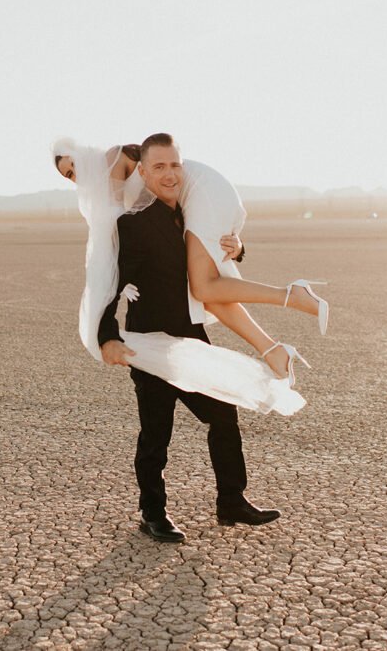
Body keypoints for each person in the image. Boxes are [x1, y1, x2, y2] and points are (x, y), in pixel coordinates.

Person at [94, 133, 283, 542]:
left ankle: (231, 501)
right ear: (141, 172)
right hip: (150, 344)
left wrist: (237, 248)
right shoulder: (131, 224)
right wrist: (107, 336)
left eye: (175, 165)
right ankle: (153, 514)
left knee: (223, 415)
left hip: (191, 339)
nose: (169, 174)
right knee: (156, 435)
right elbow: (109, 283)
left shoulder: (192, 211)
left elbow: (214, 263)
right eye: (158, 167)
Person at [53, 135, 327, 383]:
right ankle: (274, 351)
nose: (75, 176)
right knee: (205, 293)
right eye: (68, 175)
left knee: (203, 286)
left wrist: (117, 277)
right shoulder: (115, 189)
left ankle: (292, 294)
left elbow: (112, 229)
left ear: (85, 153)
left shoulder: (113, 159)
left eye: (74, 166)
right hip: (196, 202)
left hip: (202, 190)